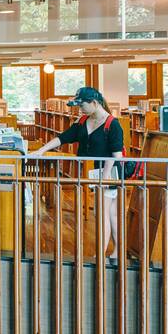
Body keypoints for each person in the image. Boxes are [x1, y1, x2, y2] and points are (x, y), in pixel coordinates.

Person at [29, 86, 124, 265]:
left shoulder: (113, 124)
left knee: (103, 213)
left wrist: (104, 178)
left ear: (95, 103)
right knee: (111, 214)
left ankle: (100, 254)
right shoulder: (82, 122)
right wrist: (42, 150)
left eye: (82, 105)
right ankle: (118, 251)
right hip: (92, 174)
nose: (80, 109)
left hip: (108, 174)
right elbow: (63, 138)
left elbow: (116, 155)